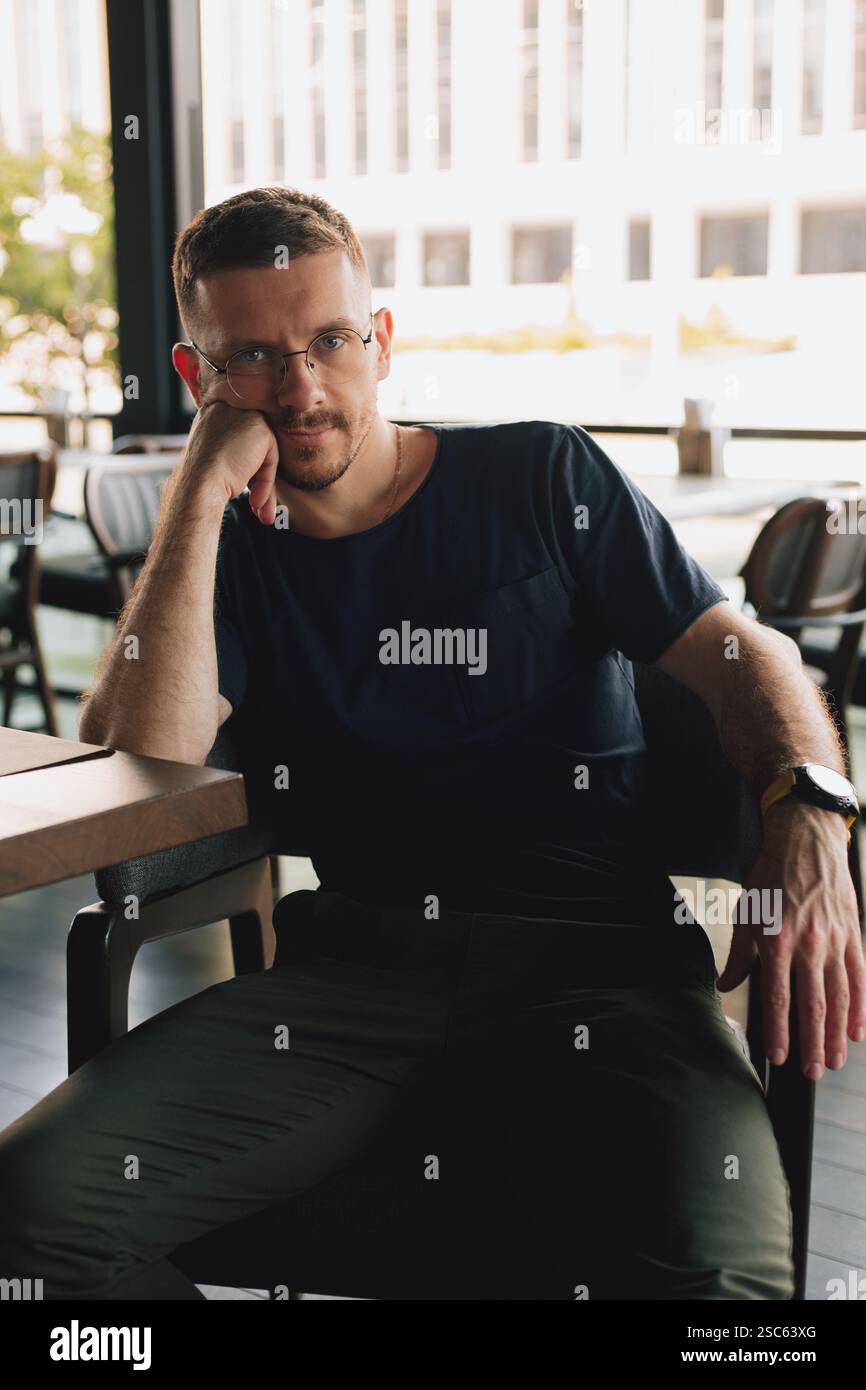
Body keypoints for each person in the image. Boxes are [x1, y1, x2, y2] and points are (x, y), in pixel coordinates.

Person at [0, 186, 862, 1300]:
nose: (300, 388)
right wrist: (194, 497)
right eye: (251, 358)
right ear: (197, 379)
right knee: (31, 1220)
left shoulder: (542, 479)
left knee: (718, 1288)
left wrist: (806, 804)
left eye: (328, 341)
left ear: (381, 340)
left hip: (604, 977)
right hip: (351, 983)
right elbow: (142, 782)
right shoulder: (223, 558)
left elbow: (746, 655)